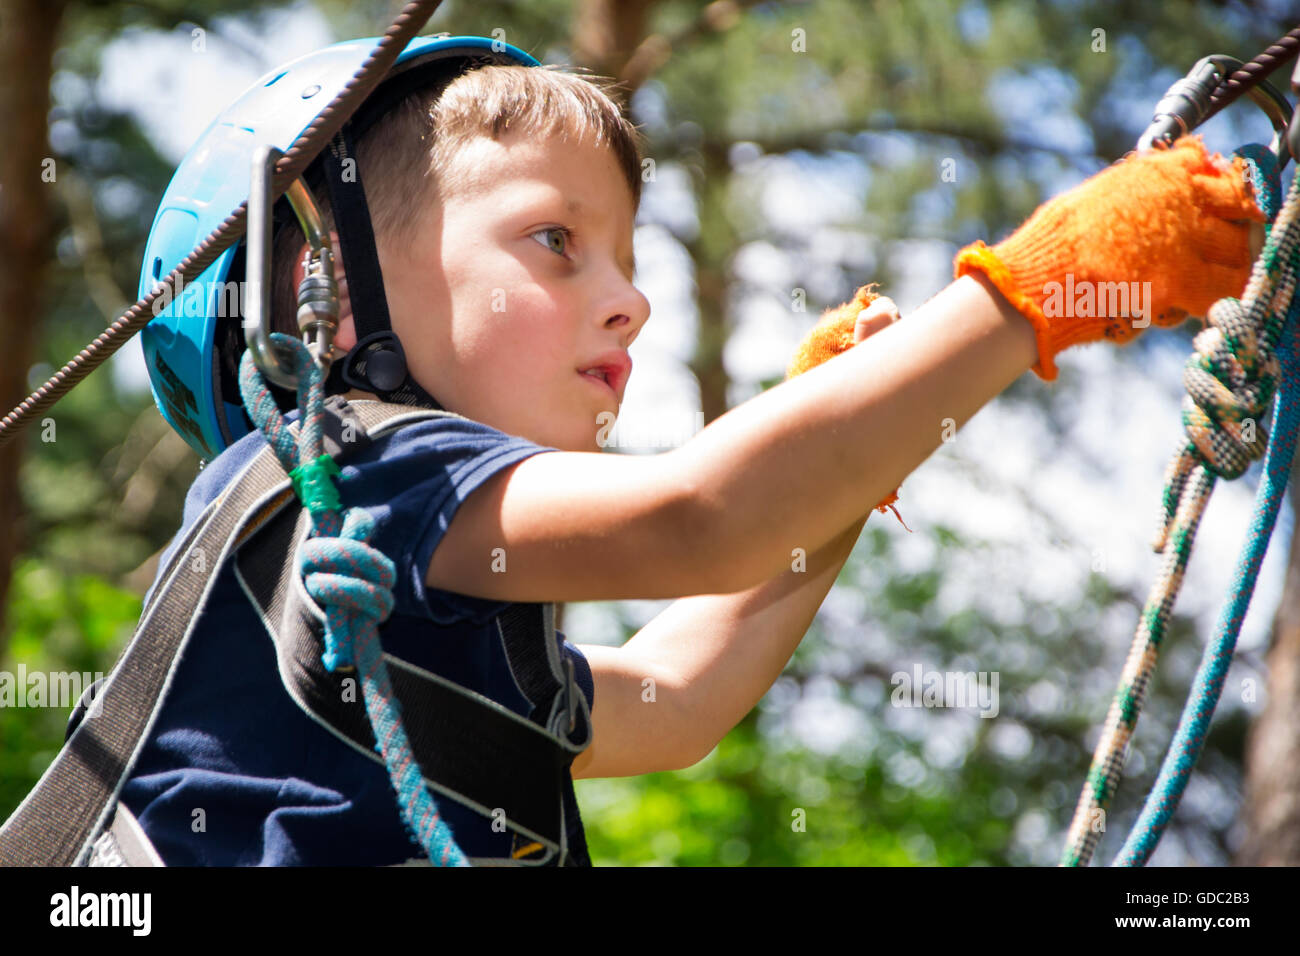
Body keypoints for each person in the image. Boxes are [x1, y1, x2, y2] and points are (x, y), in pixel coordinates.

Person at [119, 34, 1265, 866]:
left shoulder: (441, 620)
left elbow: (677, 696)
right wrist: (1038, 288)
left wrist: (841, 468)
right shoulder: (357, 467)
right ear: (324, 296)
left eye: (625, 259)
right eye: (555, 241)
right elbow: (704, 520)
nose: (629, 301)